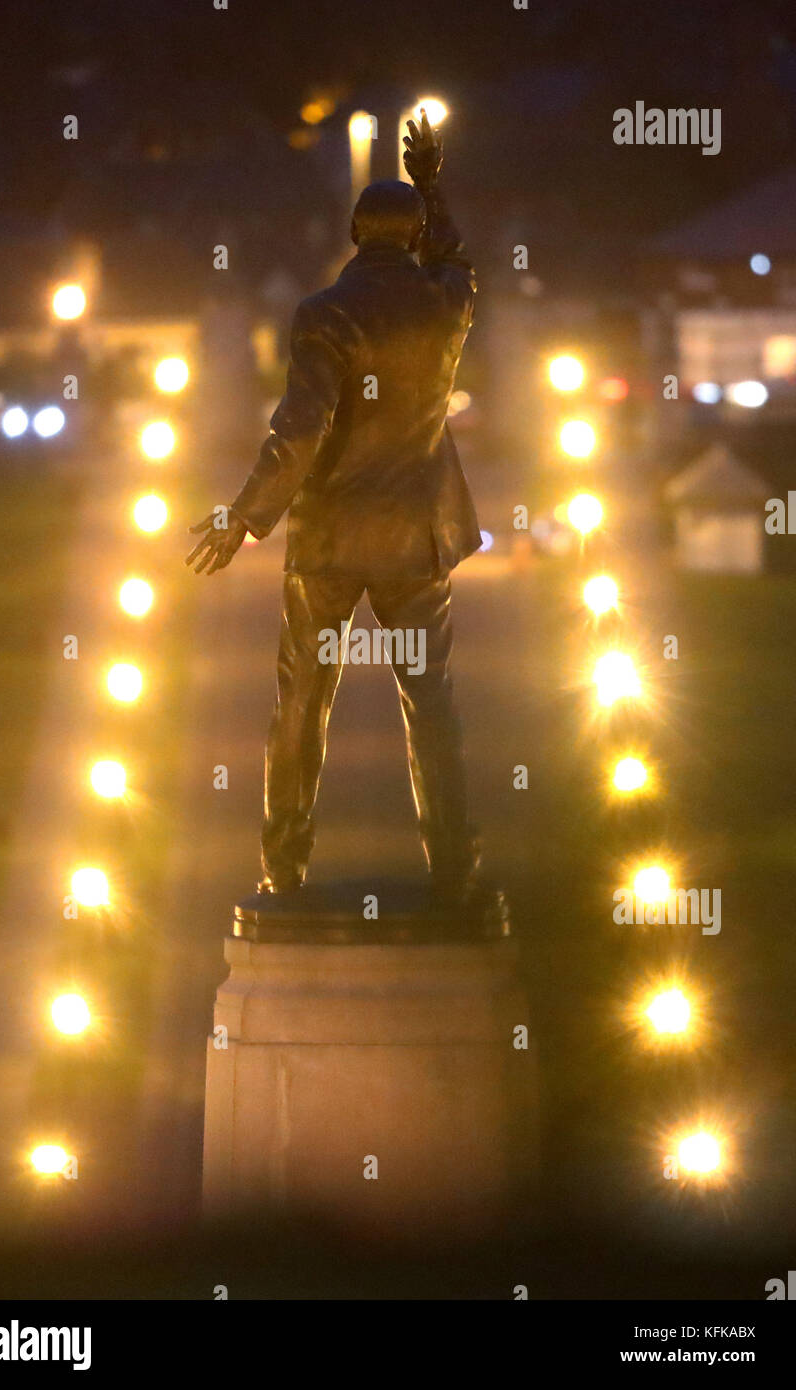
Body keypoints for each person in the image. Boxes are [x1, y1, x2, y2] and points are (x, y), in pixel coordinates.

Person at [187, 111, 484, 904]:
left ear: (353, 231)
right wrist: (432, 184)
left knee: (302, 703)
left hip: (328, 544)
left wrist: (242, 517)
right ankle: (454, 871)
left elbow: (302, 429)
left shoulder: (322, 314)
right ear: (414, 234)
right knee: (431, 705)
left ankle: (282, 868)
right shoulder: (445, 305)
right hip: (416, 540)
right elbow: (456, 258)